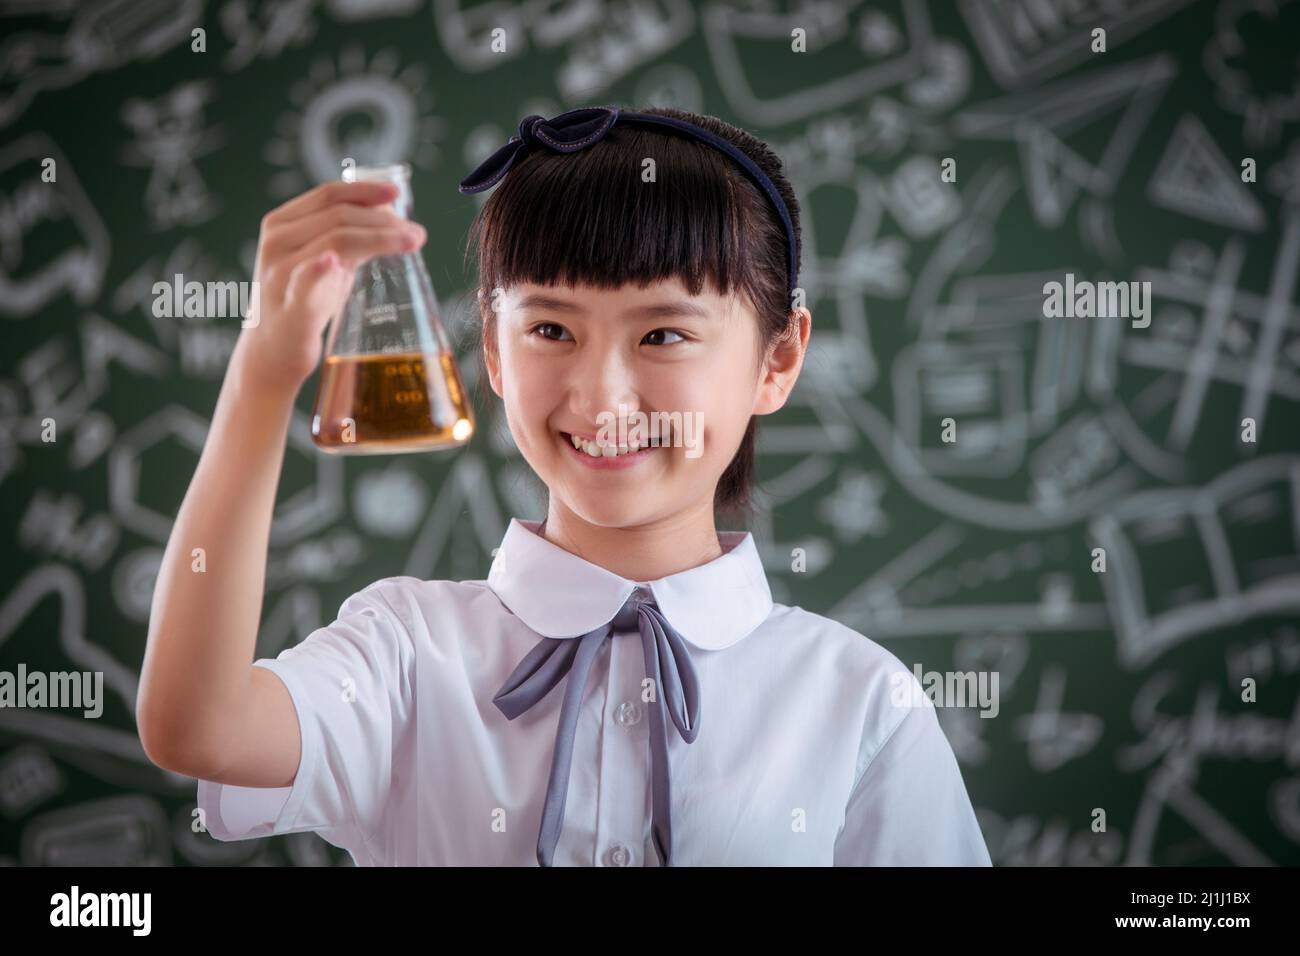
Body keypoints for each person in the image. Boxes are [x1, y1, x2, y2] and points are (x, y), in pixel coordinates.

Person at [137, 104, 991, 867]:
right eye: (551, 327)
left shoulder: (863, 705)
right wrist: (263, 374)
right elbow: (196, 727)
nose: (600, 398)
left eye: (663, 334)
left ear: (780, 358)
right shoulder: (405, 654)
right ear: (494, 350)